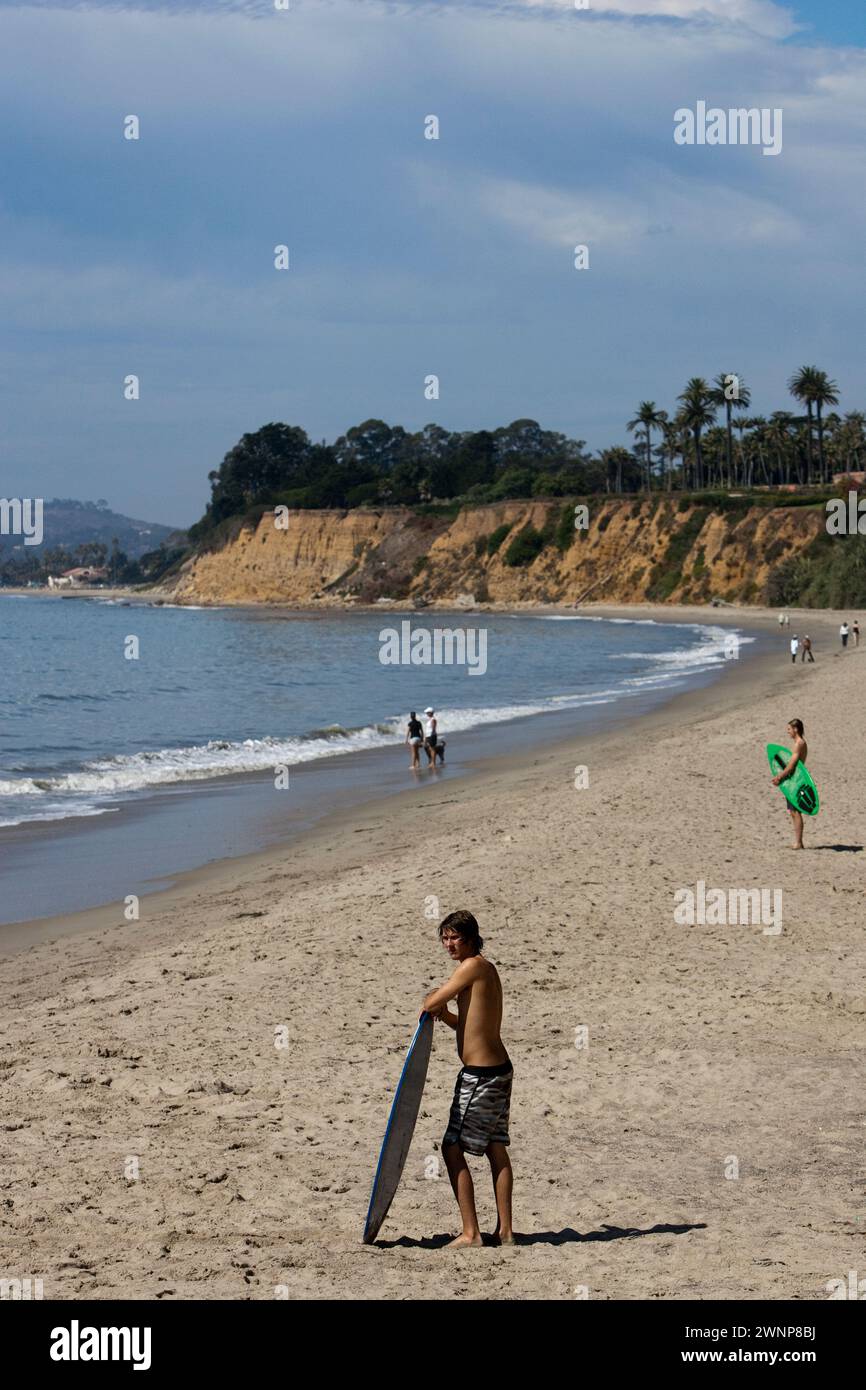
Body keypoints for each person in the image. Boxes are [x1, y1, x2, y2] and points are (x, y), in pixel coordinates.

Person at [422, 910, 514, 1248]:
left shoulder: (472, 966)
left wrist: (434, 1003)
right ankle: (504, 1233)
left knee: (451, 1148)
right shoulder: (485, 970)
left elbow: (431, 1000)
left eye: (454, 937)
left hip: (481, 1078)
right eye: (444, 938)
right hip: (499, 1070)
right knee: (495, 1148)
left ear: (471, 937)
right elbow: (471, 1025)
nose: (448, 944)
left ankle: (471, 1233)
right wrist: (446, 1015)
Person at [771, 718, 808, 850]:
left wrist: (780, 777)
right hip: (794, 778)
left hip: (795, 779)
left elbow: (792, 766)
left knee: (795, 811)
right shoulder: (800, 743)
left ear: (796, 729)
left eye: (789, 729)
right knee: (792, 811)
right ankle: (798, 842)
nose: (788, 732)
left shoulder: (799, 743)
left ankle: (798, 842)